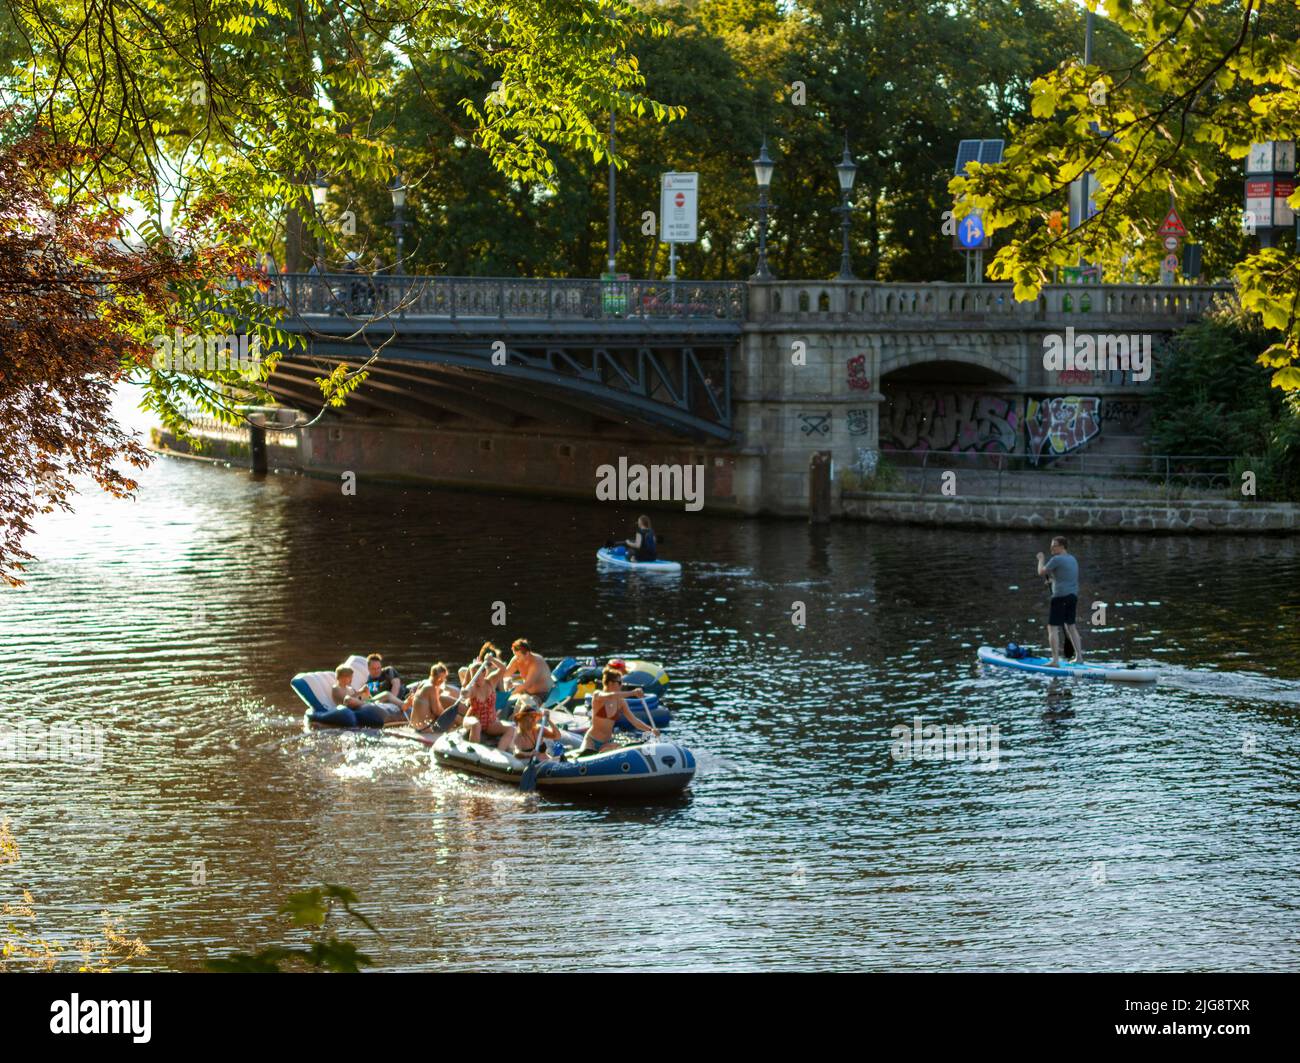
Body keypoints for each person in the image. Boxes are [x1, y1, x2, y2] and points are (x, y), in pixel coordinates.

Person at [575, 667, 658, 757]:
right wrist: (632, 693)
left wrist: (650, 730)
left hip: (607, 742)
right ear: (610, 683)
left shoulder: (621, 702)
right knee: (585, 756)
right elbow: (610, 696)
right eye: (619, 682)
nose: (621, 685)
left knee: (612, 751)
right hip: (592, 740)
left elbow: (634, 721)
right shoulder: (598, 695)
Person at [1037, 535, 1084, 668]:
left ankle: (1055, 661)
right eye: (1051, 545)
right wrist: (1052, 581)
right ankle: (1079, 657)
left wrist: (1041, 559)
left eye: (1054, 545)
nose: (1051, 547)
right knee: (1071, 626)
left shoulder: (1056, 559)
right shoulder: (1072, 559)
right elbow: (1065, 577)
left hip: (1060, 597)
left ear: (1062, 547)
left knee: (1052, 627)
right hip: (1072, 597)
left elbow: (1041, 571)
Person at [455, 657, 510, 747]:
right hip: (473, 720)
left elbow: (503, 668)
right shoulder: (472, 688)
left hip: (490, 723)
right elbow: (466, 693)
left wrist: (492, 659)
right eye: (473, 675)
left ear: (484, 673)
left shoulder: (491, 681)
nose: (474, 678)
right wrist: (464, 693)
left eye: (477, 675)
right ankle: (472, 751)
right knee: (476, 725)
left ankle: (500, 751)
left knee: (511, 729)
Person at [403, 663, 457, 731]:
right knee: (455, 716)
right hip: (424, 729)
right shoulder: (431, 688)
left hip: (414, 726)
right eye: (440, 679)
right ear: (433, 676)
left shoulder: (424, 683)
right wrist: (451, 715)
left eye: (444, 678)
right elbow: (437, 711)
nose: (442, 681)